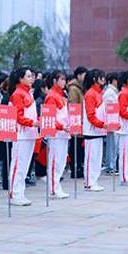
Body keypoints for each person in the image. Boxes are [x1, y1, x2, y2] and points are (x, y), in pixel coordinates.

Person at [9, 67, 38, 206]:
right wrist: (33, 122)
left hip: (30, 134)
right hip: (21, 134)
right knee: (18, 165)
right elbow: (18, 116)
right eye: (28, 76)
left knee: (24, 166)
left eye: (32, 76)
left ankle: (20, 192)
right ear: (20, 79)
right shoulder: (17, 94)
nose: (31, 78)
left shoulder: (28, 93)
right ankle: (14, 194)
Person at [43, 70, 70, 199]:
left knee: (61, 161)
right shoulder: (51, 96)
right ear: (54, 80)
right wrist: (61, 126)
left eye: (65, 79)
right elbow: (50, 118)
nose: (64, 82)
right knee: (55, 161)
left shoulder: (62, 95)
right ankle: (53, 188)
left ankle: (56, 185)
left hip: (64, 133)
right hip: (56, 133)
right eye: (61, 79)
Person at [82, 69, 107, 192]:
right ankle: (89, 182)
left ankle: (94, 180)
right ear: (94, 79)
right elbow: (90, 115)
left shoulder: (99, 94)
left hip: (99, 130)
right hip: (91, 131)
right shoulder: (90, 94)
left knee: (97, 157)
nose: (103, 79)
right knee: (91, 158)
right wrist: (102, 124)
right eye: (100, 77)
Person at [68, 66, 87, 179]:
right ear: (79, 75)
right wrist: (76, 122)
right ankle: (75, 169)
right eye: (84, 75)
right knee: (76, 147)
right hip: (76, 121)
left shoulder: (80, 88)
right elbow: (73, 105)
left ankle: (78, 167)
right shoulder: (74, 89)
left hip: (80, 120)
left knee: (79, 147)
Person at [103, 72, 119, 174]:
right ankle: (110, 165)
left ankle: (111, 164)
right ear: (113, 81)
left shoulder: (113, 92)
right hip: (110, 120)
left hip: (114, 120)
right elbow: (108, 107)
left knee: (114, 144)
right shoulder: (109, 92)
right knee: (111, 145)